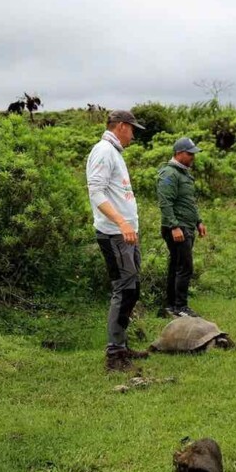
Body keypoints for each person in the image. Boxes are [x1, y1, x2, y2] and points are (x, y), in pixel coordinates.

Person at [86, 110, 148, 372]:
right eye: (132, 129)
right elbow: (96, 192)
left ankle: (121, 346)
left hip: (127, 235)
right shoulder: (103, 151)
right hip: (114, 234)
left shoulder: (115, 153)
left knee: (131, 290)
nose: (133, 135)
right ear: (121, 126)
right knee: (123, 291)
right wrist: (121, 223)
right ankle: (114, 355)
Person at [157, 137, 207, 318]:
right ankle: (180, 307)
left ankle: (171, 306)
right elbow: (165, 202)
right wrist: (174, 226)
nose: (193, 156)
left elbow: (189, 202)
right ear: (179, 153)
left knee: (176, 266)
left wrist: (198, 221)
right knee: (185, 267)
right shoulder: (169, 173)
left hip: (187, 226)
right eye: (190, 153)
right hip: (177, 228)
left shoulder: (184, 173)